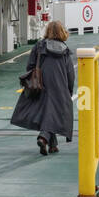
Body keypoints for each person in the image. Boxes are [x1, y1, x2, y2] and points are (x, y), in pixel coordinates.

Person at [10, 20, 75, 156]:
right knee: (55, 112)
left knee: (47, 112)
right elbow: (70, 73)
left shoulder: (39, 46)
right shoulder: (65, 50)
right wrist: (69, 90)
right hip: (59, 86)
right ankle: (44, 137)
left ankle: (52, 145)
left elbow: (30, 66)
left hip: (41, 84)